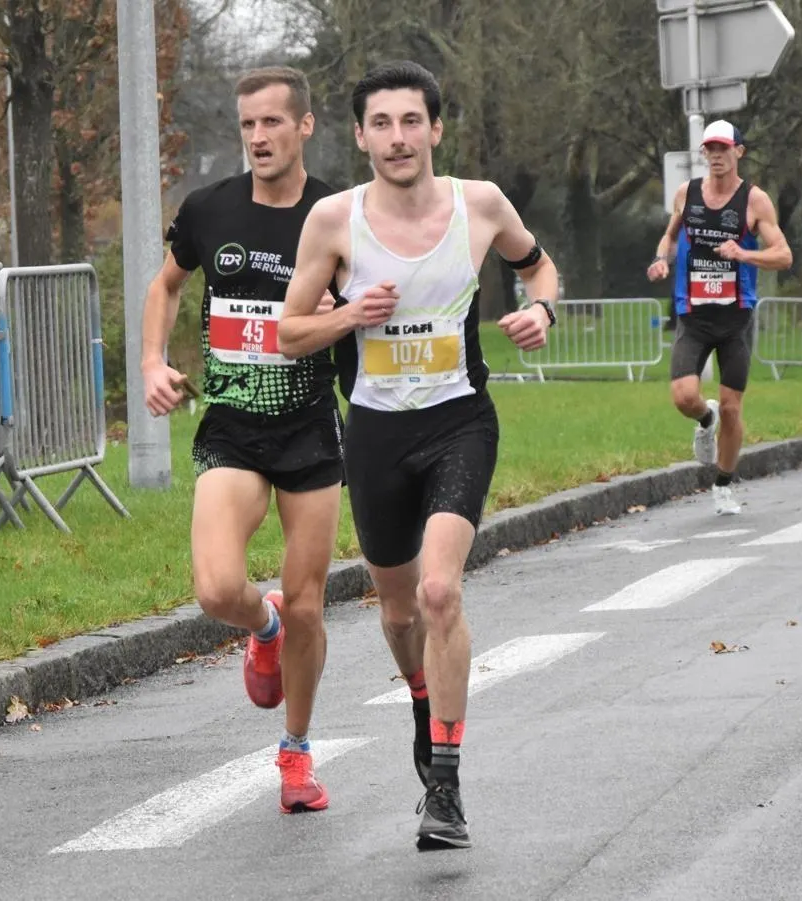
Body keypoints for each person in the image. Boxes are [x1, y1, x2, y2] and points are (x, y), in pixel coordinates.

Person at [278, 60, 559, 851]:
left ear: (436, 129)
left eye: (412, 121)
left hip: (459, 423)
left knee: (439, 592)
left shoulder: (481, 204)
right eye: (381, 124)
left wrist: (541, 306)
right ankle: (419, 694)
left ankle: (445, 782)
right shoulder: (334, 221)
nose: (398, 138)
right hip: (374, 435)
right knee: (398, 611)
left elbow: (538, 264)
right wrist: (350, 317)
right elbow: (288, 332)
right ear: (360, 135)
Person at [140, 66, 345, 814]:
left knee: (311, 602)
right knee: (217, 587)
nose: (258, 137)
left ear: (304, 127)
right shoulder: (209, 208)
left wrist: (339, 306)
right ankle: (261, 626)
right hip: (232, 425)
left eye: (272, 123)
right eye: (248, 125)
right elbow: (166, 286)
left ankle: (295, 754)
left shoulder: (337, 213)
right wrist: (153, 362)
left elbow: (371, 309)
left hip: (309, 430)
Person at [646, 120, 793, 515]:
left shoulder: (754, 201)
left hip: (735, 319)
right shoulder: (687, 194)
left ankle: (724, 483)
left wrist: (744, 254)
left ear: (738, 152)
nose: (716, 156)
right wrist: (662, 259)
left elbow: (783, 254)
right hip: (693, 314)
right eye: (709, 149)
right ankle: (704, 419)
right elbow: (671, 235)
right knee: (684, 397)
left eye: (723, 149)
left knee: (733, 406)